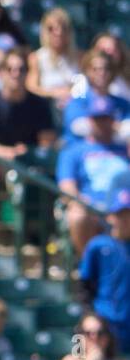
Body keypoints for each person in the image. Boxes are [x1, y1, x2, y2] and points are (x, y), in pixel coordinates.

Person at [0, 48, 56, 238]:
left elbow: (47, 140)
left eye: (21, 69)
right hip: (1, 161)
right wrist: (8, 152)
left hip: (32, 162)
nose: (16, 74)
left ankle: (44, 229)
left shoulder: (40, 105)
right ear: (1, 73)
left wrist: (29, 153)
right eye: (10, 69)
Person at [59, 101, 130, 258]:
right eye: (98, 118)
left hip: (123, 208)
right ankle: (91, 268)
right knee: (78, 216)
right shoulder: (73, 151)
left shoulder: (124, 149)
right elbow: (67, 186)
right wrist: (83, 203)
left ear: (114, 121)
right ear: (90, 120)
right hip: (91, 208)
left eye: (107, 118)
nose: (102, 123)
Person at [78, 185, 130, 351]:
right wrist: (89, 315)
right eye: (120, 215)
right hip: (104, 321)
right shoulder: (98, 245)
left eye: (128, 215)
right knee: (80, 356)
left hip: (127, 321)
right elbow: (84, 285)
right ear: (110, 217)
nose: (125, 220)